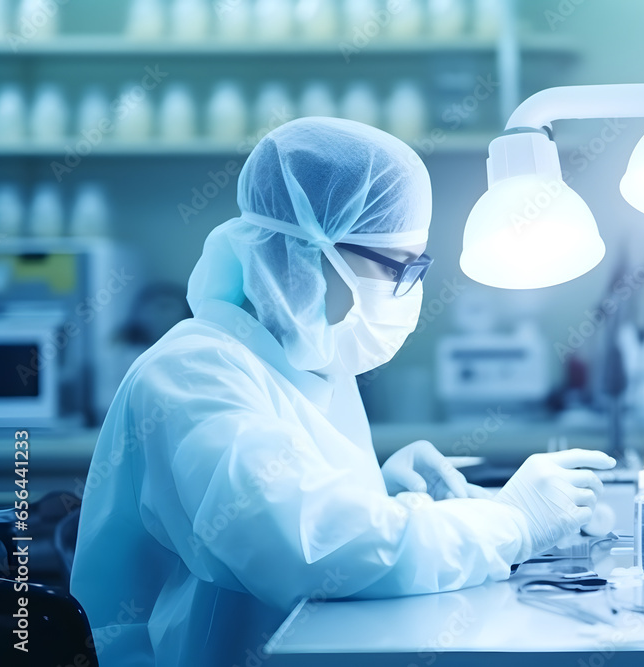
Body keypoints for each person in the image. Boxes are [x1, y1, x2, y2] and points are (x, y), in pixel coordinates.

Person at [71, 117, 615, 666]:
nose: (407, 291)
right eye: (399, 268)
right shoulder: (192, 375)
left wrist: (382, 489)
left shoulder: (310, 359)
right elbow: (306, 550)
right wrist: (511, 524)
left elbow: (315, 511)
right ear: (311, 250)